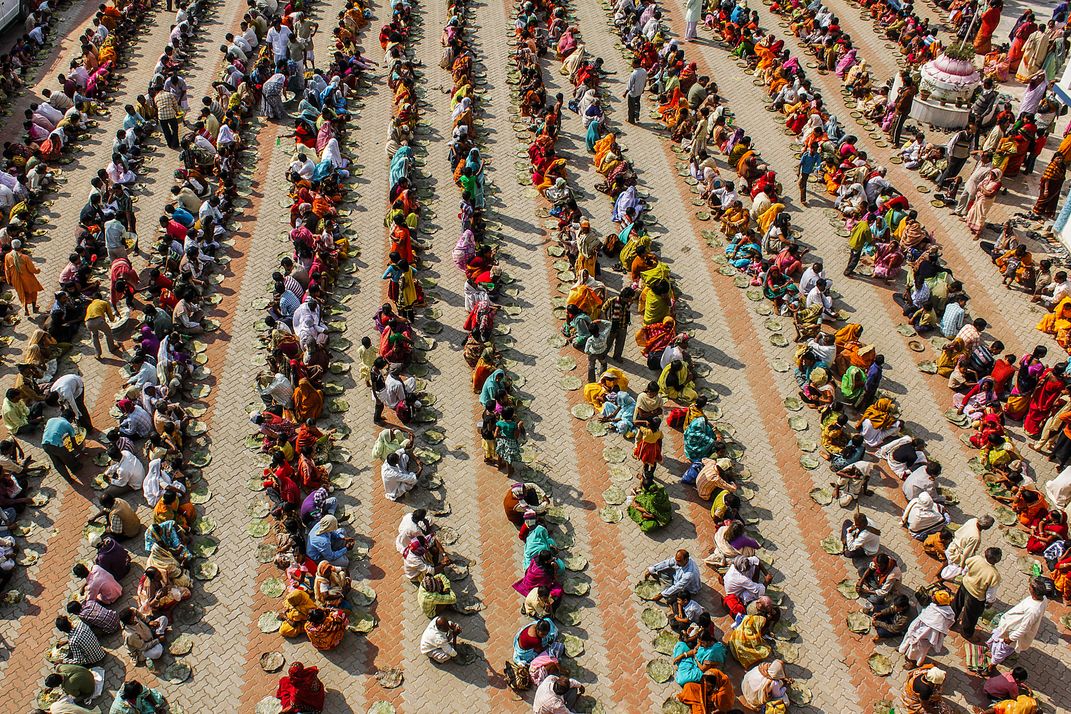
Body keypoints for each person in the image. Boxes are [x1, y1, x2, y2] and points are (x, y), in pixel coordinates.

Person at [987, 577, 1049, 667]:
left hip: (1012, 632)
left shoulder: (1033, 610)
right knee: (1001, 646)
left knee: (1001, 649)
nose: (1029, 587)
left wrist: (1010, 638)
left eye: (1030, 587)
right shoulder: (1043, 598)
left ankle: (992, 665)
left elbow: (1024, 629)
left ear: (1034, 592)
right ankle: (995, 655)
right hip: (1010, 625)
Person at [954, 547, 1002, 640]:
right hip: (975, 597)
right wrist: (990, 602)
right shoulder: (994, 575)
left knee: (956, 604)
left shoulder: (976, 559)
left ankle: (950, 621)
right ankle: (967, 634)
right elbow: (991, 592)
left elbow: (965, 570)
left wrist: (967, 578)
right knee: (970, 616)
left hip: (965, 585)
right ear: (996, 560)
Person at [898, 588, 955, 666]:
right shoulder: (937, 606)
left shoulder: (941, 616)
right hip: (917, 629)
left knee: (917, 649)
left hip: (925, 635)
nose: (932, 597)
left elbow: (934, 628)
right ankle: (904, 649)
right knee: (909, 639)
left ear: (939, 602)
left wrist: (919, 635)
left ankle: (912, 661)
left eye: (935, 597)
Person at [4, 239, 44, 314]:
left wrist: (9, 280)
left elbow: (7, 270)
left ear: (12, 247)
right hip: (27, 279)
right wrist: (38, 270)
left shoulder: (7, 256)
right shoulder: (25, 257)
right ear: (20, 247)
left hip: (16, 280)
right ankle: (34, 308)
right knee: (32, 292)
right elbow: (32, 270)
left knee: (22, 294)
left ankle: (26, 310)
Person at [623, 58, 646, 124]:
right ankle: (637, 115)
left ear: (636, 64)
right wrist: (643, 89)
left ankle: (631, 120)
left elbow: (629, 85)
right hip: (639, 91)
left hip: (633, 93)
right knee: (637, 103)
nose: (631, 65)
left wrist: (625, 93)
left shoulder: (634, 74)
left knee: (631, 107)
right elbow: (645, 81)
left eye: (633, 63)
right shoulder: (644, 71)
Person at [798, 142, 820, 207]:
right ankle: (803, 199)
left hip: (809, 171)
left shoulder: (817, 155)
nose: (815, 151)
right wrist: (798, 171)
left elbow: (818, 164)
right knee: (804, 186)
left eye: (816, 150)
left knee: (803, 181)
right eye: (814, 149)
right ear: (811, 148)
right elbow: (800, 164)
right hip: (804, 171)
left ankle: (800, 183)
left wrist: (818, 169)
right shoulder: (806, 155)